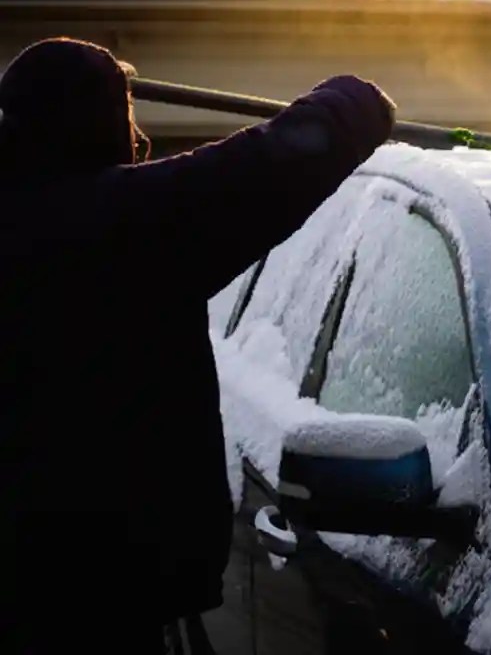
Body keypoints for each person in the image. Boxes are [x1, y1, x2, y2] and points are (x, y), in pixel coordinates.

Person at [0, 37, 396, 652]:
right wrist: (355, 104)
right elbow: (265, 167)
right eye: (124, 118)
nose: (137, 139)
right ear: (93, 128)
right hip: (90, 599)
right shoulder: (115, 228)